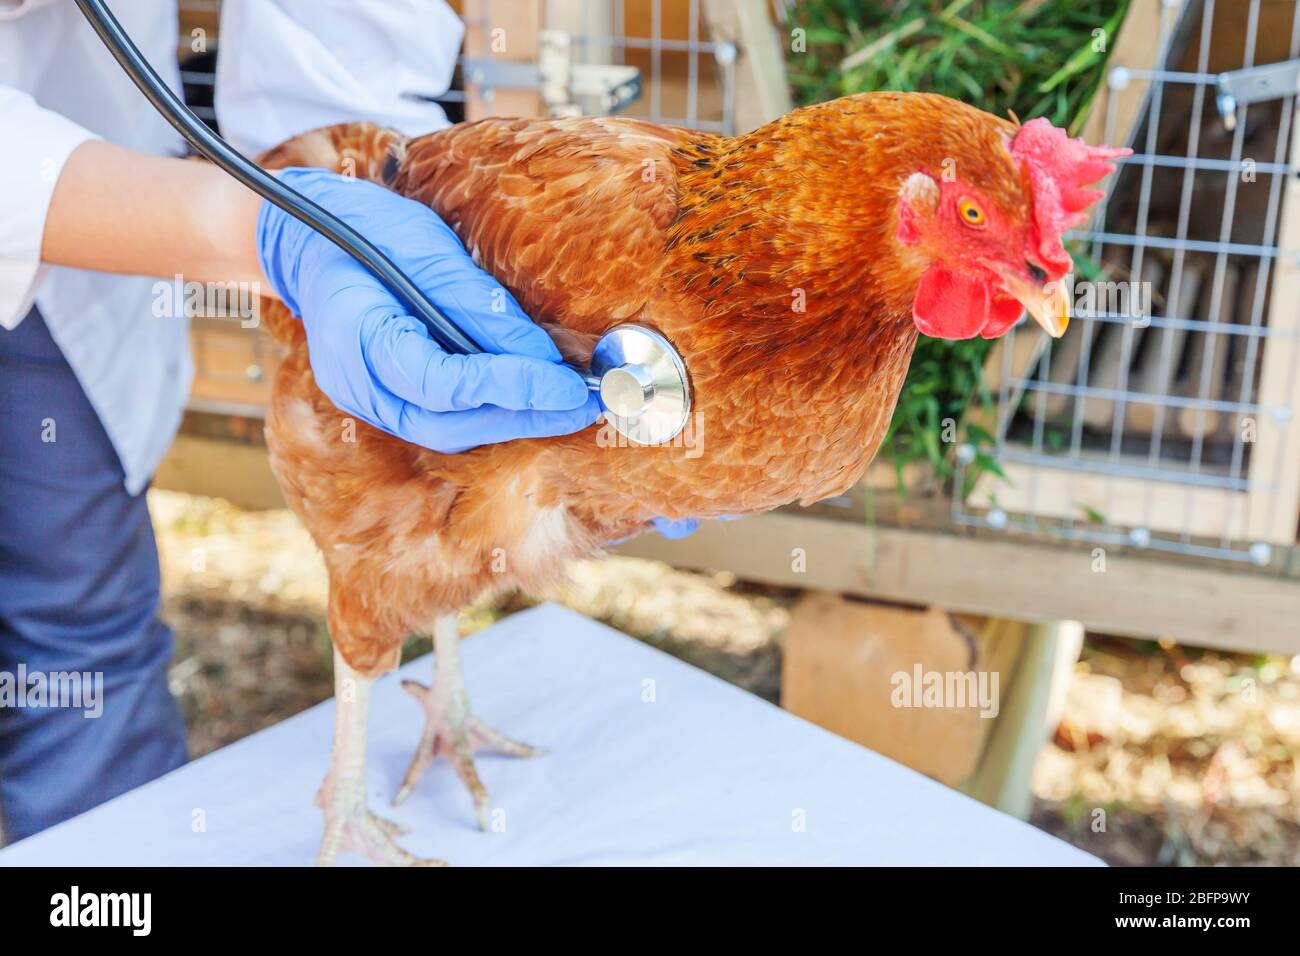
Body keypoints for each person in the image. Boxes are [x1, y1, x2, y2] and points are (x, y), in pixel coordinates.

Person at [0, 0, 615, 844]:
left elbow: (336, 32)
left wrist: (368, 187)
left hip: (86, 190)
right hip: (89, 191)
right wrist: (262, 228)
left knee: (77, 631)